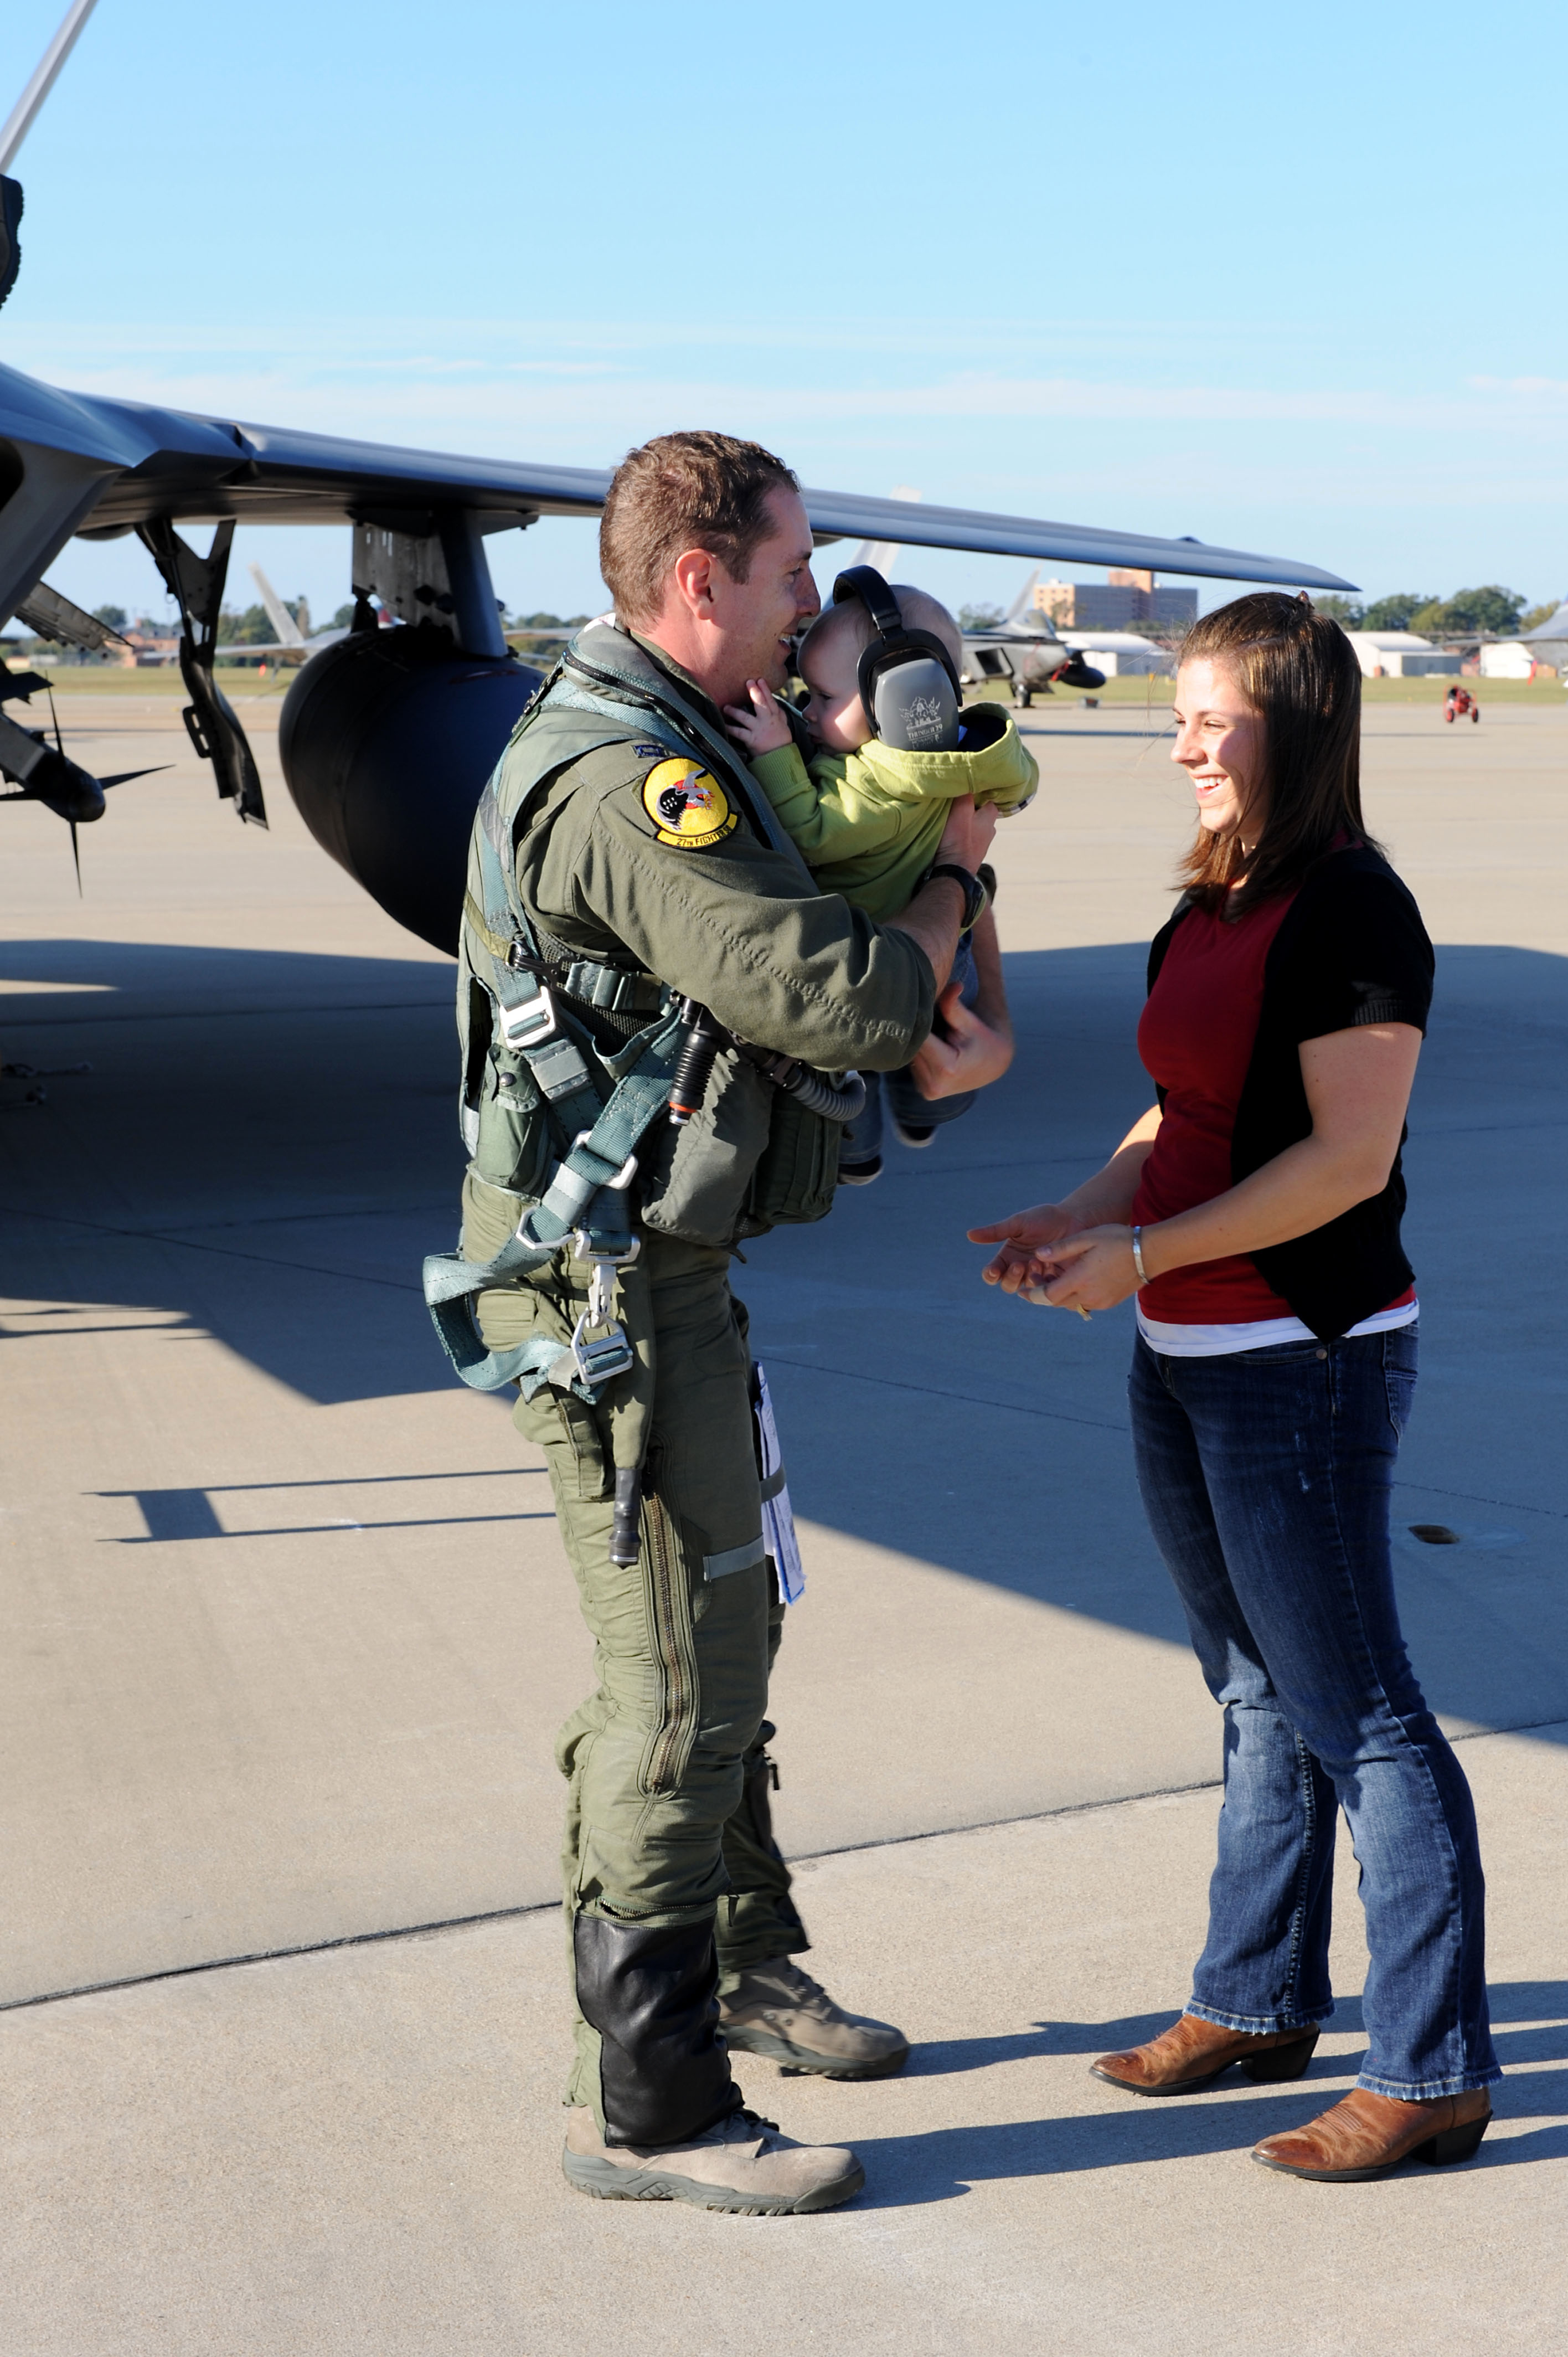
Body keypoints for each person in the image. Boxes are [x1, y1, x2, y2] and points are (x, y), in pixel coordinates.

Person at [431, 431, 1010, 2215]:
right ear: (700, 581)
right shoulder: (634, 784)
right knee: (673, 1686)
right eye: (781, 578)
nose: (794, 614)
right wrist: (956, 873)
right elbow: (832, 998)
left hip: (666, 1269)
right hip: (610, 1297)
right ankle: (655, 2106)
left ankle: (736, 1964)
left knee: (719, 1642)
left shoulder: (687, 744)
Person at [969, 593, 1501, 2183]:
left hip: (1300, 1364)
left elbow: (1347, 1164)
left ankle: (1433, 2070)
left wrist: (1146, 1258)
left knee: (1370, 1718)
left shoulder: (1354, 912)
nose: (1184, 740)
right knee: (1255, 1694)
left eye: (1214, 715)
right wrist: (1084, 1214)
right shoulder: (1211, 903)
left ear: (1299, 723)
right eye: (1182, 714)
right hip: (1185, 1353)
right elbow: (1177, 1109)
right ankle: (1257, 2000)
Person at [723, 580, 1032, 1180]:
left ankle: (857, 1154)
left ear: (902, 696)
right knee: (938, 1027)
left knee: (851, 1057)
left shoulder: (885, 782)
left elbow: (814, 829)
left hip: (877, 943)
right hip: (948, 938)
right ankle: (927, 1113)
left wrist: (775, 752)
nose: (807, 712)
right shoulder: (953, 757)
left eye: (820, 696)